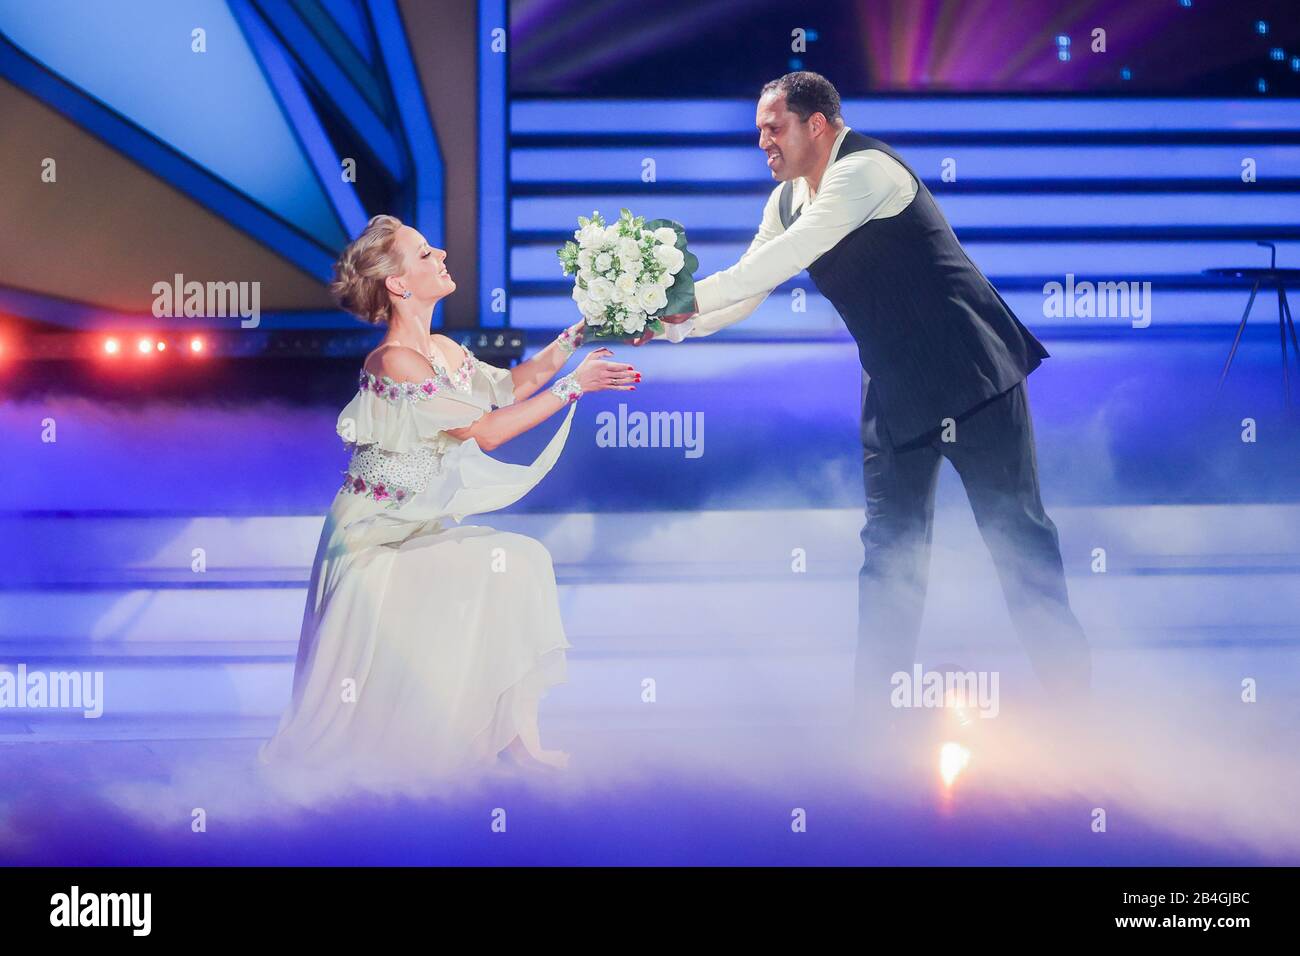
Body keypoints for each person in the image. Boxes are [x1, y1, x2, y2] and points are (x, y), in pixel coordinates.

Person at [630, 71, 1091, 739]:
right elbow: (749, 285)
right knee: (889, 560)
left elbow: (784, 260)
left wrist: (680, 299)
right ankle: (875, 732)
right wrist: (673, 324)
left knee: (1018, 544)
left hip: (973, 380)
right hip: (895, 391)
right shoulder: (787, 197)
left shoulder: (865, 171)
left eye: (773, 126)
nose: (761, 140)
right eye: (759, 127)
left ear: (818, 124)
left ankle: (1078, 715)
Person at [257, 214, 640, 797]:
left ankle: (509, 743)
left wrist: (578, 335)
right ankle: (469, 745)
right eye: (423, 252)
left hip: (415, 526)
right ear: (399, 284)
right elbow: (483, 432)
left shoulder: (438, 348)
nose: (440, 253)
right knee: (506, 563)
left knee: (518, 560)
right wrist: (575, 387)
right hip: (372, 540)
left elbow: (509, 388)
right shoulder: (394, 362)